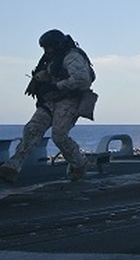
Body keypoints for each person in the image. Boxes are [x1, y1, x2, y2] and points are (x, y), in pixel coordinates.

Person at [0, 29, 97, 184]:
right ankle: (12, 167)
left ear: (57, 45)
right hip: (50, 101)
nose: (47, 51)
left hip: (69, 101)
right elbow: (50, 72)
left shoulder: (72, 57)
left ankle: (79, 164)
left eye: (49, 47)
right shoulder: (53, 58)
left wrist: (57, 86)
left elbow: (82, 79)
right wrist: (39, 80)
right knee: (32, 130)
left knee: (59, 135)